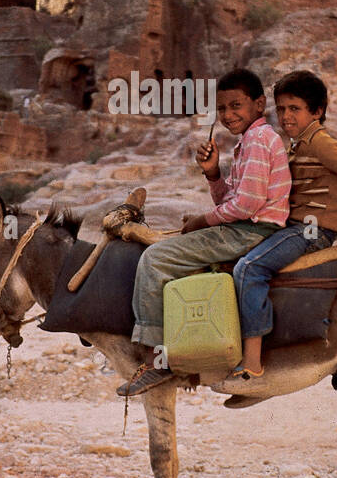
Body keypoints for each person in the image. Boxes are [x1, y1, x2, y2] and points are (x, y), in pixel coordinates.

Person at [120, 67, 291, 396]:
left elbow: (247, 205)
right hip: (245, 226)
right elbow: (232, 198)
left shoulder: (257, 140)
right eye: (222, 108)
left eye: (236, 106)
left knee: (155, 259)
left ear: (259, 105)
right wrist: (213, 174)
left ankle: (159, 362)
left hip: (250, 231)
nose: (228, 115)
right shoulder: (250, 141)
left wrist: (202, 220)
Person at [229, 69, 337, 379]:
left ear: (318, 111)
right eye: (282, 109)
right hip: (292, 227)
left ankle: (253, 361)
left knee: (249, 268)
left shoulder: (321, 143)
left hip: (310, 230)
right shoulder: (297, 144)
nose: (286, 116)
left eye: (295, 109)